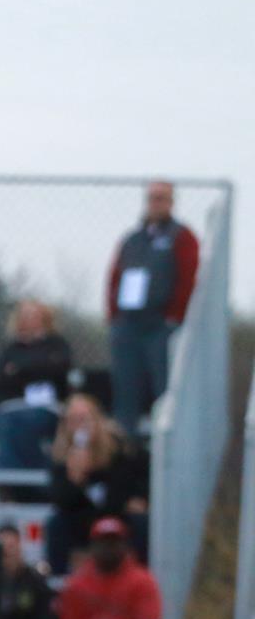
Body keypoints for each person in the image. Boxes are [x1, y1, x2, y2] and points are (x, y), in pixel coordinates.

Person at [106, 181, 200, 432]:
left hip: (160, 326)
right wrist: (114, 317)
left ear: (171, 202)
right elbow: (114, 277)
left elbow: (188, 277)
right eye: (152, 198)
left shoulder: (181, 237)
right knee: (126, 393)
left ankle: (165, 456)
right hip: (128, 326)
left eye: (161, 198)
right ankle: (126, 454)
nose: (155, 203)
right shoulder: (133, 239)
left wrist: (173, 317)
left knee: (164, 393)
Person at [46, 393, 148, 572]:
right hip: (82, 521)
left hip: (117, 517)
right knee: (55, 525)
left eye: (84, 419)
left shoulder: (121, 450)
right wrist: (75, 481)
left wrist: (139, 498)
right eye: (74, 421)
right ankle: (58, 584)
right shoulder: (62, 460)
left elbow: (129, 486)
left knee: (141, 523)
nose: (80, 427)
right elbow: (60, 501)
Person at [0, 300, 72, 501]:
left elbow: (57, 370)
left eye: (34, 315)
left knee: (23, 423)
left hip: (45, 408)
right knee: (4, 422)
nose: (28, 320)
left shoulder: (57, 344)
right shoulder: (10, 348)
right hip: (10, 408)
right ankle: (18, 484)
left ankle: (18, 485)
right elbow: (1, 378)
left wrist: (20, 369)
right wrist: (35, 368)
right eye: (24, 315)